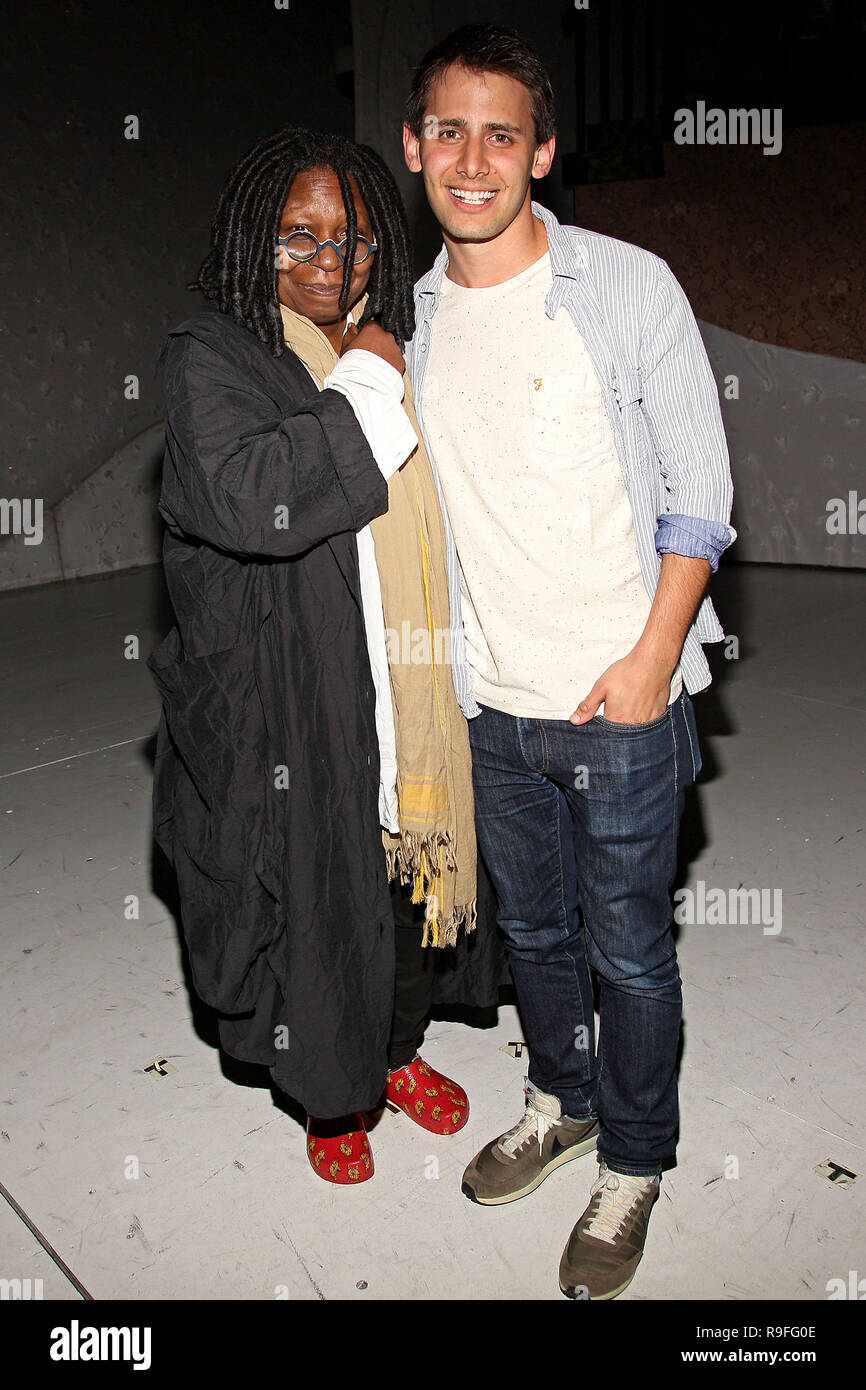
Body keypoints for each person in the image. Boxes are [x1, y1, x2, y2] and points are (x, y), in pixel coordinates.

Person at [402, 24, 736, 1295]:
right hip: (490, 698)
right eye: (448, 130)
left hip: (617, 696)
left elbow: (699, 496)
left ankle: (634, 1162)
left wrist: (653, 656)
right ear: (414, 144)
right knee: (534, 936)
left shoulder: (626, 285)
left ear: (540, 150)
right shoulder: (417, 319)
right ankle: (562, 1099)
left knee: (630, 949)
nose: (472, 159)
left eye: (500, 133)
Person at [147, 126, 491, 1186]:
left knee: (396, 888)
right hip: (286, 701)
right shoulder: (214, 354)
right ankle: (326, 1091)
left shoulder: (400, 340)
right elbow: (261, 495)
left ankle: (390, 1052)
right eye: (298, 235)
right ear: (256, 241)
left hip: (402, 685)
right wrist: (369, 381)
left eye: (348, 240)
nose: (326, 261)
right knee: (313, 895)